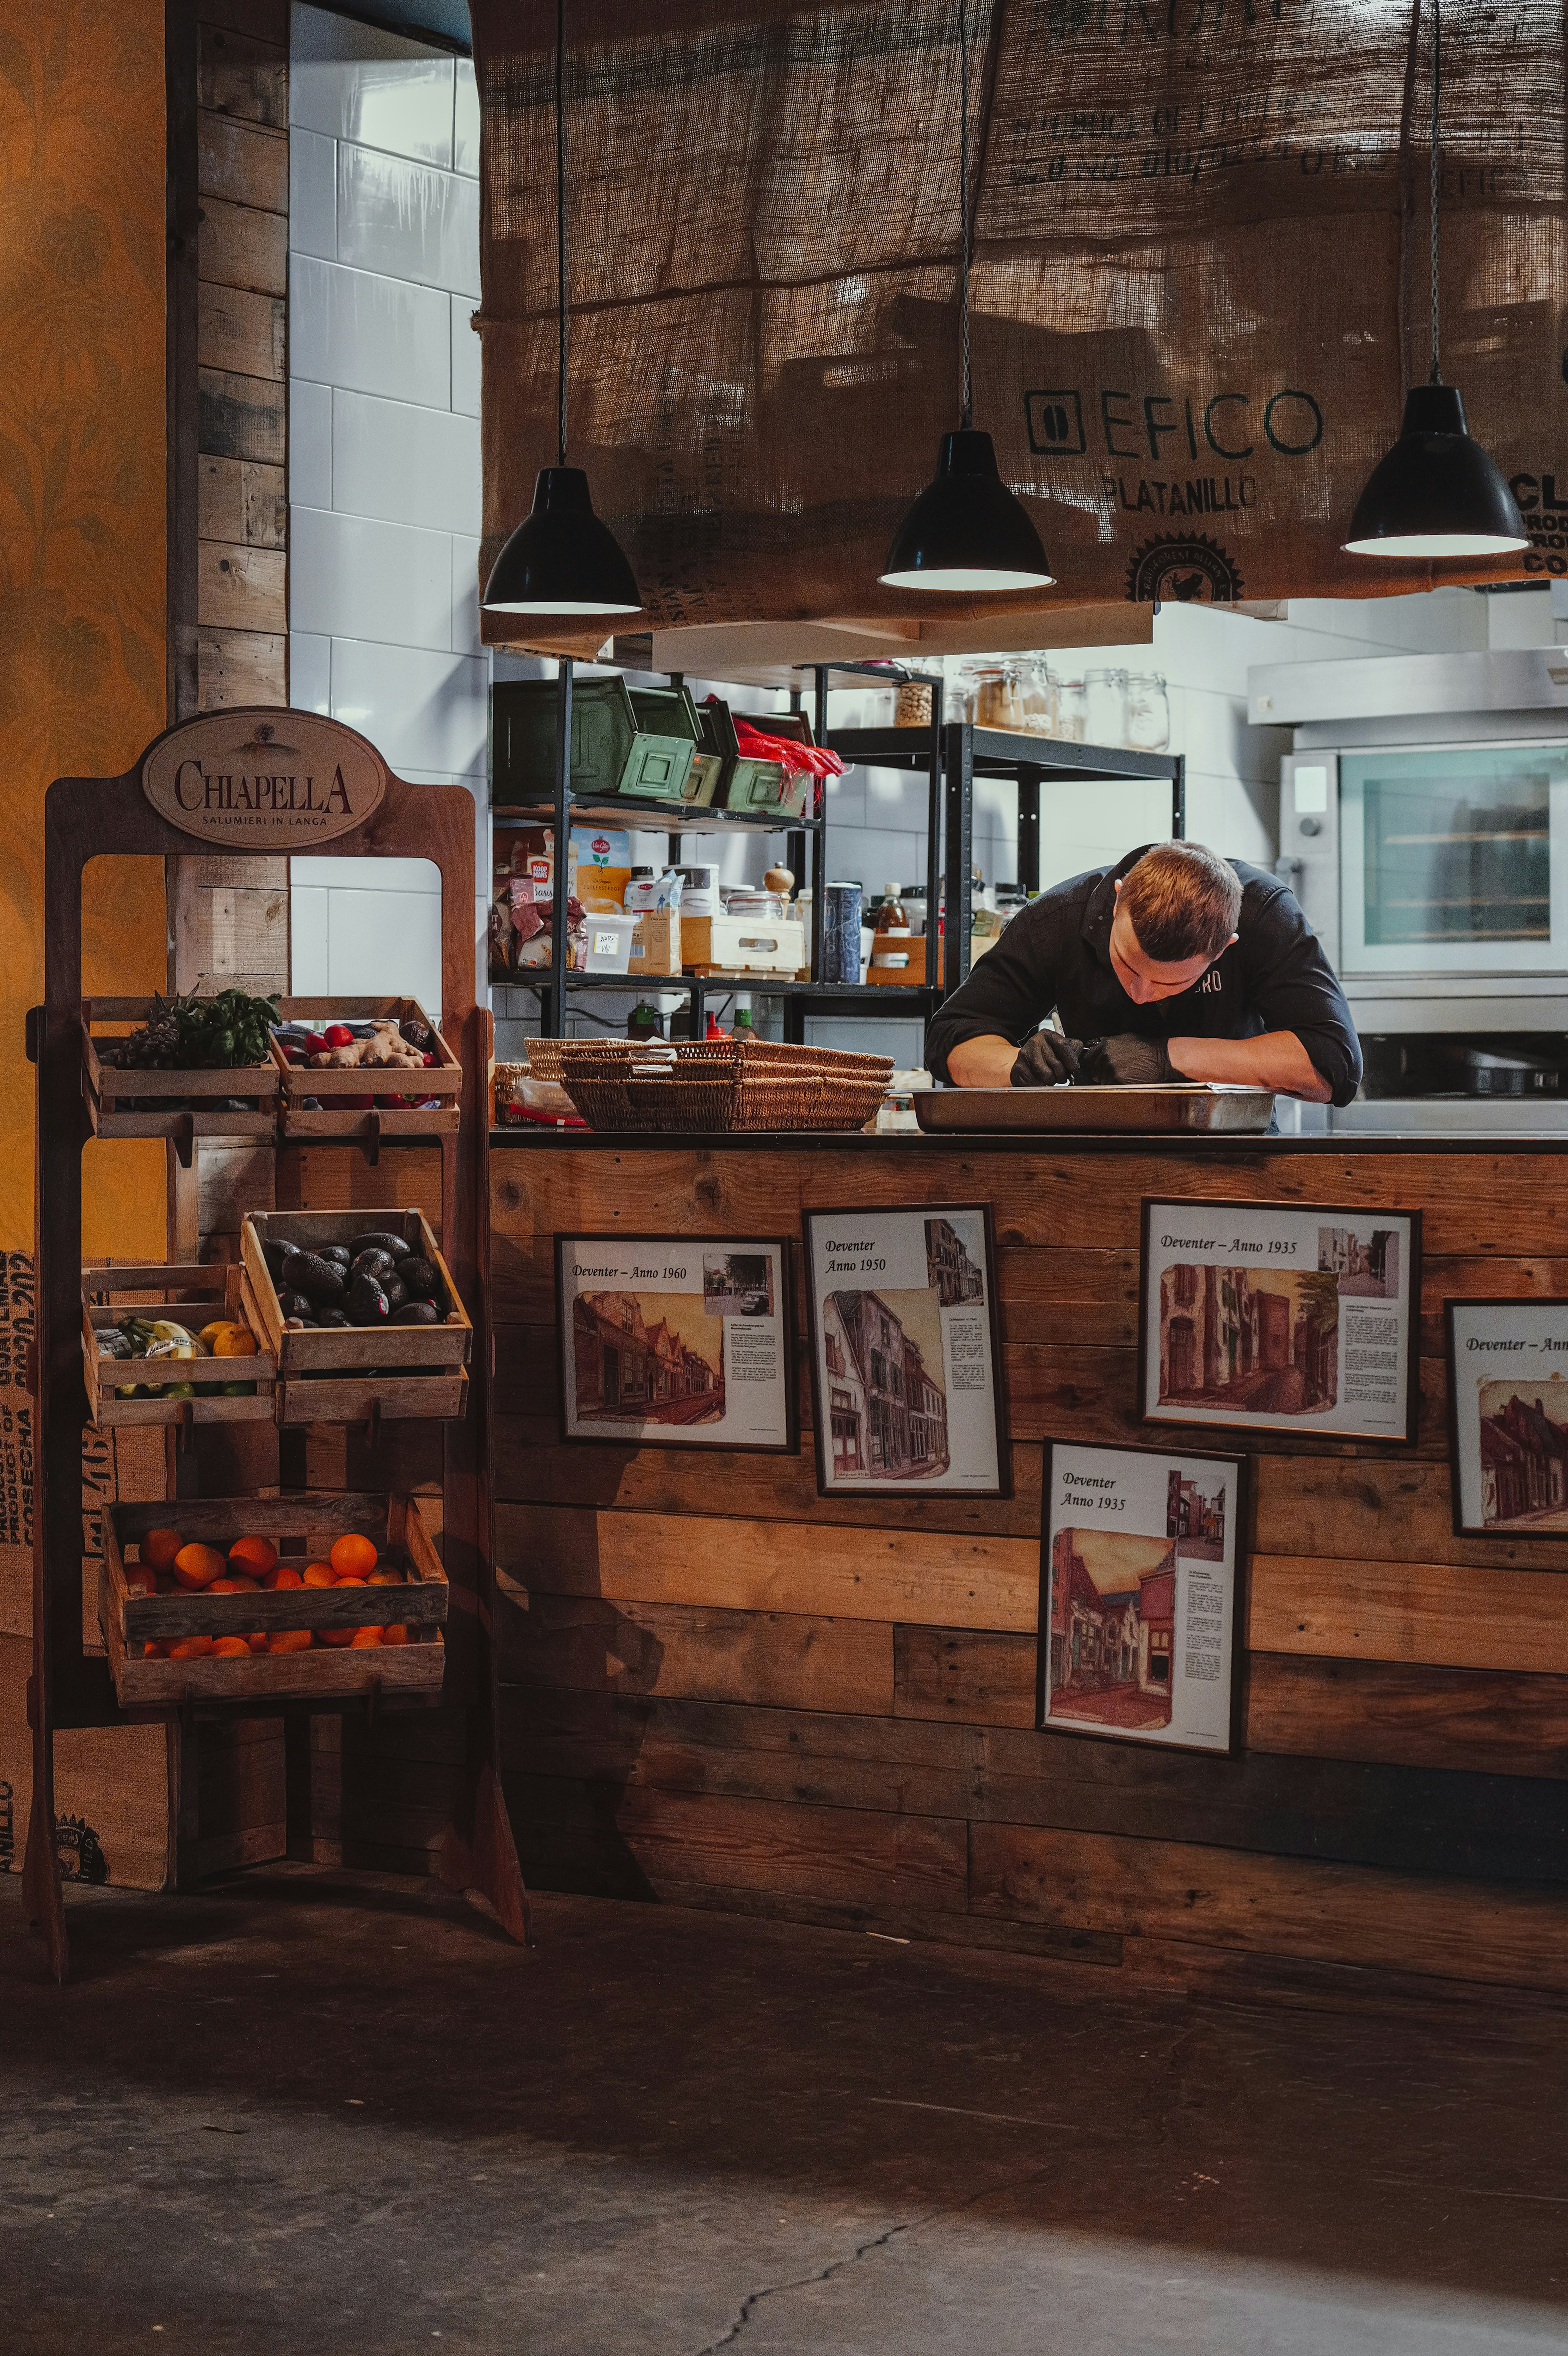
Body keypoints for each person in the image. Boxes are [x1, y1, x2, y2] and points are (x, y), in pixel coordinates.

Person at [926, 840, 1361, 1105]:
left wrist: (1167, 1059)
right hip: (1085, 1159)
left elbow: (1334, 1065)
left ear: (1225, 948)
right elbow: (951, 1036)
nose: (1141, 993)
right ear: (1118, 903)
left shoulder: (1264, 916)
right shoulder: (1057, 920)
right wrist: (1017, 1067)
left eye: (1171, 982)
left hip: (1234, 1155)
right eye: (1127, 964)